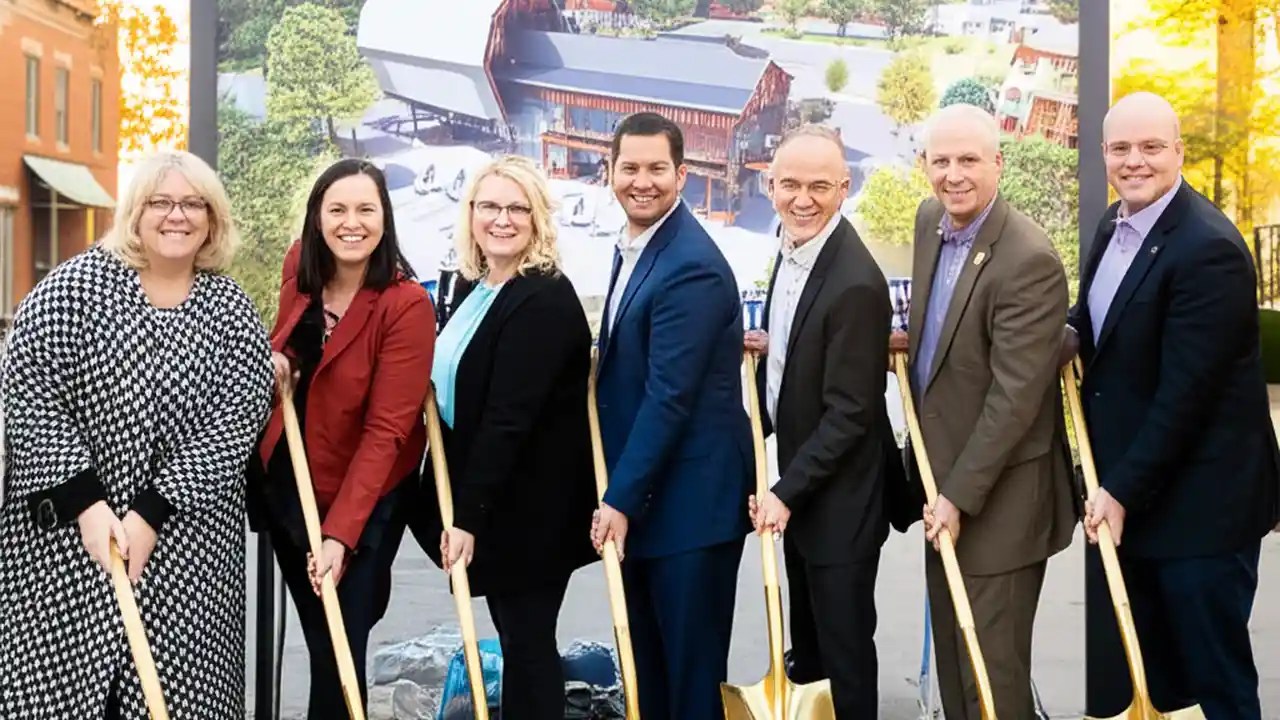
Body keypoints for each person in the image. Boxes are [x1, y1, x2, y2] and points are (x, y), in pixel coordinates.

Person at [0, 150, 274, 718]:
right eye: (160, 202)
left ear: (212, 218)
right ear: (134, 212)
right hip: (69, 549)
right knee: (63, 696)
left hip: (188, 553)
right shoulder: (73, 291)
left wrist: (152, 511)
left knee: (178, 699)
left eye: (193, 204)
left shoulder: (230, 311)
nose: (177, 216)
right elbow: (31, 393)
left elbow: (234, 423)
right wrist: (85, 502)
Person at [1064, 91, 1280, 720]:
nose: (1135, 160)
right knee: (1157, 684)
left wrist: (1119, 491)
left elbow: (1187, 396)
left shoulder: (1208, 248)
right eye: (1121, 148)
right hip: (1140, 496)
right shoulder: (1114, 224)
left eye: (1152, 147)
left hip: (1202, 511)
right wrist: (1060, 335)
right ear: (1104, 154)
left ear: (1178, 151)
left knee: (1214, 681)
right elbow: (1097, 322)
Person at [895, 103, 1076, 719]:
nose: (953, 175)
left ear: (998, 163)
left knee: (991, 683)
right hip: (939, 483)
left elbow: (1013, 401)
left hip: (997, 504)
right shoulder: (930, 220)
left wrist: (956, 497)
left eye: (969, 160)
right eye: (940, 160)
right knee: (954, 667)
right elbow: (946, 340)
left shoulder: (1029, 259)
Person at [413, 156, 598, 718]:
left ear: (538, 219)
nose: (502, 219)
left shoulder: (542, 298)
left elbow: (508, 418)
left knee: (528, 643)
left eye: (517, 208)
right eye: (489, 206)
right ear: (470, 213)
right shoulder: (482, 286)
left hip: (531, 511)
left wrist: (468, 517)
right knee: (519, 639)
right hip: (502, 504)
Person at [251, 158, 435, 718]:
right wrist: (281, 360)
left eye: (364, 210)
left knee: (341, 642)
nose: (350, 223)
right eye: (337, 209)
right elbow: (291, 343)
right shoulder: (300, 267)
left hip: (366, 496)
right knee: (319, 634)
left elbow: (387, 431)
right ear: (317, 217)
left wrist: (340, 536)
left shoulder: (406, 305)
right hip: (294, 483)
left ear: (385, 218)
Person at [590, 111, 753, 720]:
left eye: (657, 168)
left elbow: (670, 397)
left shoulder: (691, 265)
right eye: (629, 168)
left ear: (682, 175)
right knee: (649, 679)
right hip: (656, 504)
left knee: (689, 686)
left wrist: (619, 499)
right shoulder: (637, 246)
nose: (642, 181)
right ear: (609, 171)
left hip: (690, 511)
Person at [742, 124, 901, 718]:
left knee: (843, 658)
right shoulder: (792, 249)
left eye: (818, 187)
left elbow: (851, 413)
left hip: (842, 505)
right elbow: (802, 358)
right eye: (789, 185)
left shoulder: (856, 281)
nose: (802, 199)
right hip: (807, 495)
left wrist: (784, 492)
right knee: (808, 655)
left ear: (844, 187)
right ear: (770, 185)